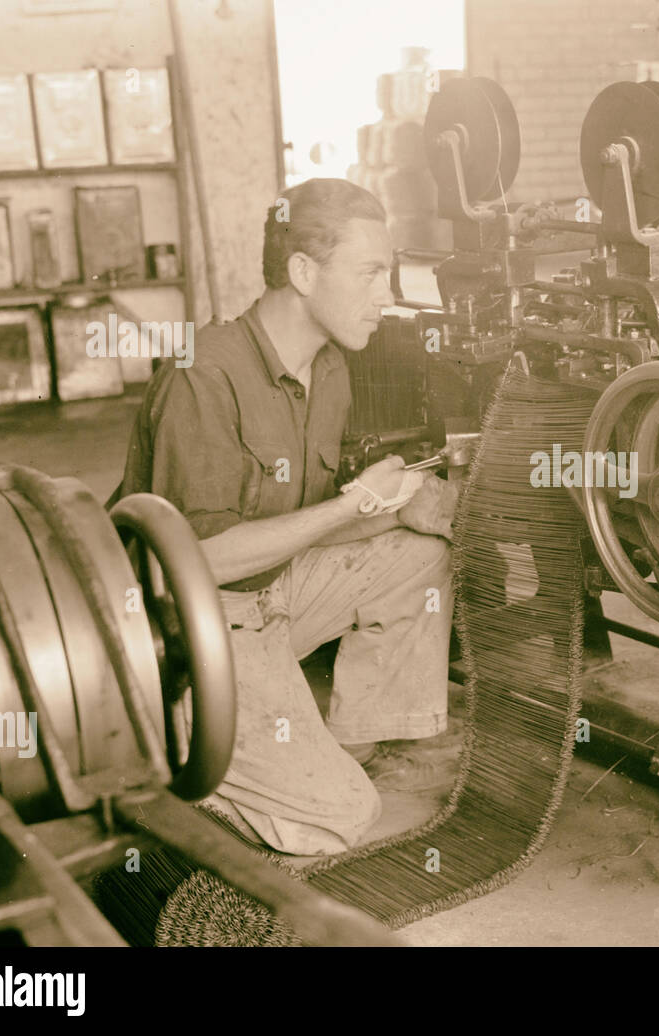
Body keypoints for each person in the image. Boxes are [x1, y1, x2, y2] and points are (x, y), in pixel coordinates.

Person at [114, 177, 457, 855]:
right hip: (187, 628)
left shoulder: (327, 367)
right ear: (303, 271)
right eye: (369, 274)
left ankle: (340, 744)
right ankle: (175, 751)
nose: (384, 296)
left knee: (419, 554)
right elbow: (201, 560)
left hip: (271, 595)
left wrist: (397, 512)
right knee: (342, 818)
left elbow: (308, 522)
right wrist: (358, 501)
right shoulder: (203, 374)